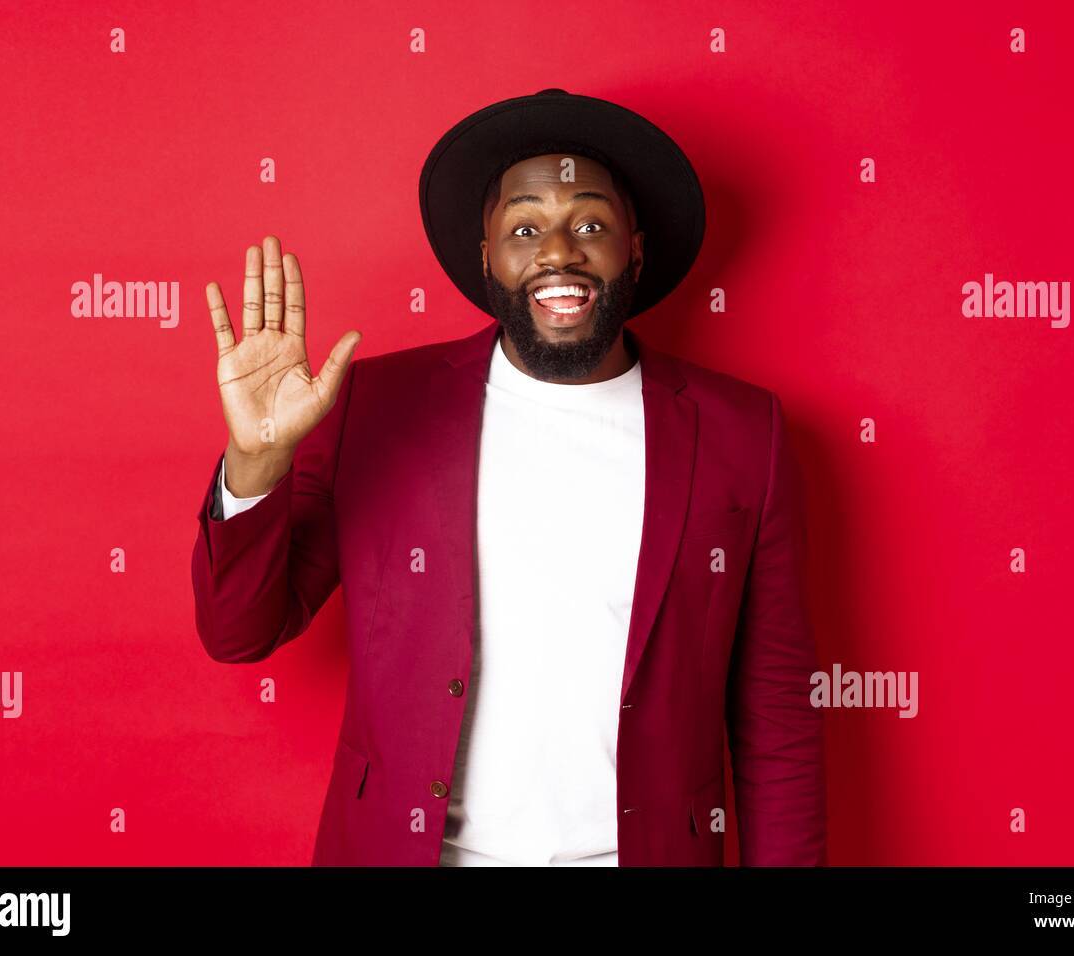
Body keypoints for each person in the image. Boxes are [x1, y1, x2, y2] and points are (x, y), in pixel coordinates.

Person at [191, 89, 825, 866]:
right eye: (525, 228)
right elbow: (239, 632)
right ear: (487, 255)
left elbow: (777, 714)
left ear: (637, 249)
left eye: (590, 224)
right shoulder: (377, 406)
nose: (559, 252)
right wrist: (257, 459)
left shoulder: (742, 434)